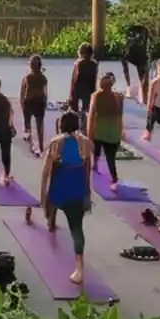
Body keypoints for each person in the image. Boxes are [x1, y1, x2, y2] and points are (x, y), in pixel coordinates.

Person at [38, 111, 93, 284]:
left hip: (60, 189)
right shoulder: (85, 143)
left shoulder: (56, 143)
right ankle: (79, 268)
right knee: (76, 228)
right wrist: (87, 192)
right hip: (77, 190)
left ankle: (51, 220)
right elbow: (87, 169)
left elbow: (46, 171)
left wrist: (42, 193)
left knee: (51, 205)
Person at [87, 72, 124, 192]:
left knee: (97, 150)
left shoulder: (96, 96)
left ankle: (96, 164)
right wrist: (121, 131)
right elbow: (120, 116)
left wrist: (89, 131)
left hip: (100, 128)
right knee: (110, 158)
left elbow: (92, 115)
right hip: (113, 130)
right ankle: (114, 178)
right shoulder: (119, 97)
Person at [20, 55, 48, 152]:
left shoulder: (27, 78)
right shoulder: (43, 78)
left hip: (29, 103)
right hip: (40, 102)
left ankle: (30, 146)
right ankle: (41, 146)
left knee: (28, 125)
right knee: (40, 125)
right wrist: (45, 103)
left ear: (31, 66)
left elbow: (22, 93)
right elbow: (45, 93)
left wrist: (22, 104)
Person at [121, 24, 152, 103]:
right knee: (143, 77)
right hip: (138, 56)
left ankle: (143, 97)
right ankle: (143, 97)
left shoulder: (140, 31)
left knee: (143, 77)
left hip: (139, 57)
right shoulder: (143, 31)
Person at [68, 43, 98, 117]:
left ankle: (75, 122)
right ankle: (85, 123)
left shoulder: (78, 63)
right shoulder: (94, 64)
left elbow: (74, 79)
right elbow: (94, 79)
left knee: (74, 110)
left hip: (78, 88)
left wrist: (71, 94)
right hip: (88, 88)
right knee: (87, 110)